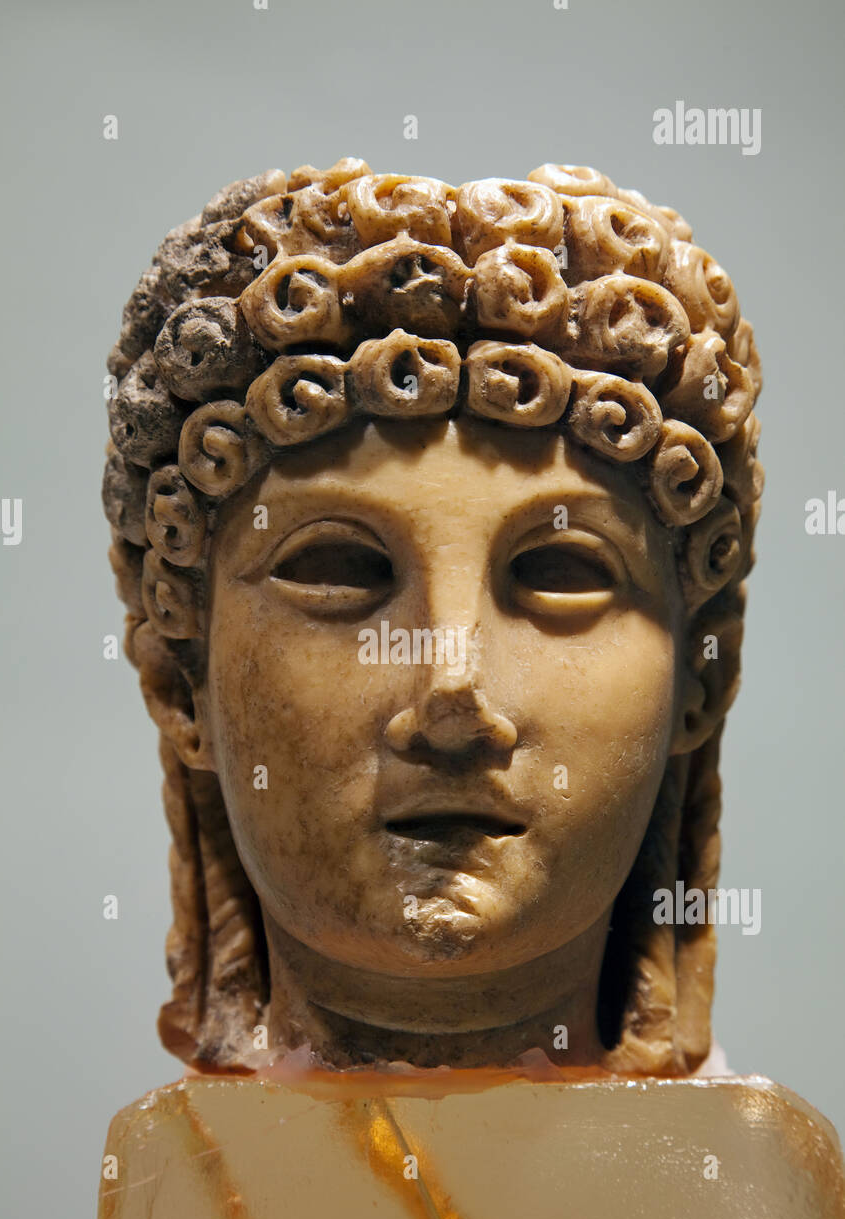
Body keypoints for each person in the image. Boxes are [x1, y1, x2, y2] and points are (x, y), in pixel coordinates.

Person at [102, 158, 763, 1078]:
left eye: (562, 573)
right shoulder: (167, 1195)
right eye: (338, 571)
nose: (452, 685)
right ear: (181, 683)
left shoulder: (745, 1198)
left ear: (702, 679)